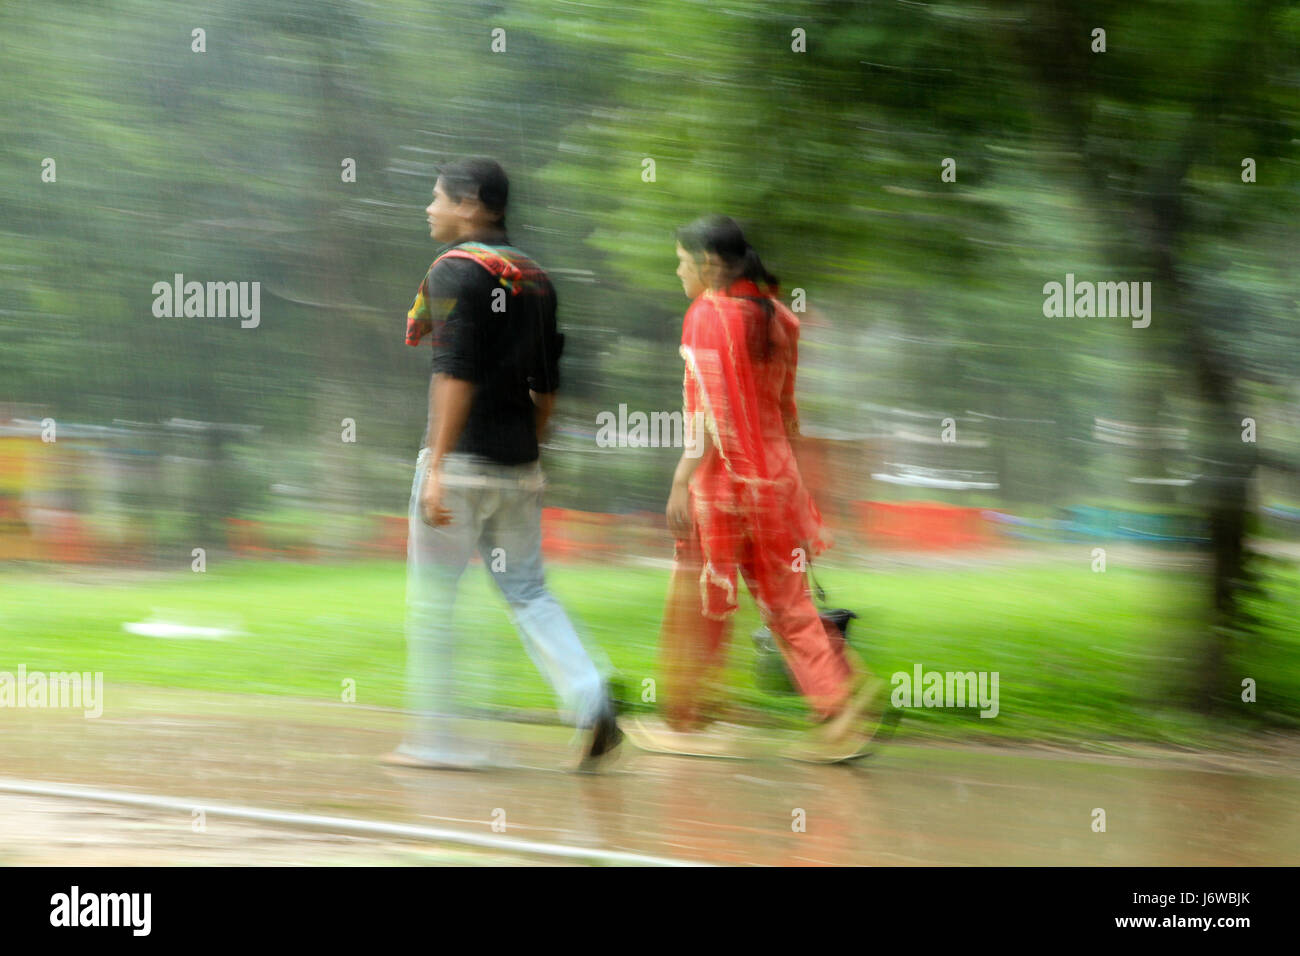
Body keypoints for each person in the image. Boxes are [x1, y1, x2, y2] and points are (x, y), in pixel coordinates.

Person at [384, 157, 622, 772]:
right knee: (528, 592)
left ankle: (436, 742)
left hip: (457, 467)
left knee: (433, 601)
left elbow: (452, 373)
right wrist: (529, 455)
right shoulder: (537, 279)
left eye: (436, 198)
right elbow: (547, 385)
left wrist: (436, 467)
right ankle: (590, 695)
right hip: (517, 466)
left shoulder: (453, 272)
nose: (429, 208)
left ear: (470, 204)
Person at [624, 215, 882, 763]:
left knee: (706, 604)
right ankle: (840, 702)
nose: (677, 270)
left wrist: (679, 481)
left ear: (710, 265)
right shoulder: (780, 319)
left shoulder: (707, 316)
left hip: (722, 485)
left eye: (681, 260)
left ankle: (692, 720)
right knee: (787, 603)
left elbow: (706, 418)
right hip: (776, 480)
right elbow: (787, 413)